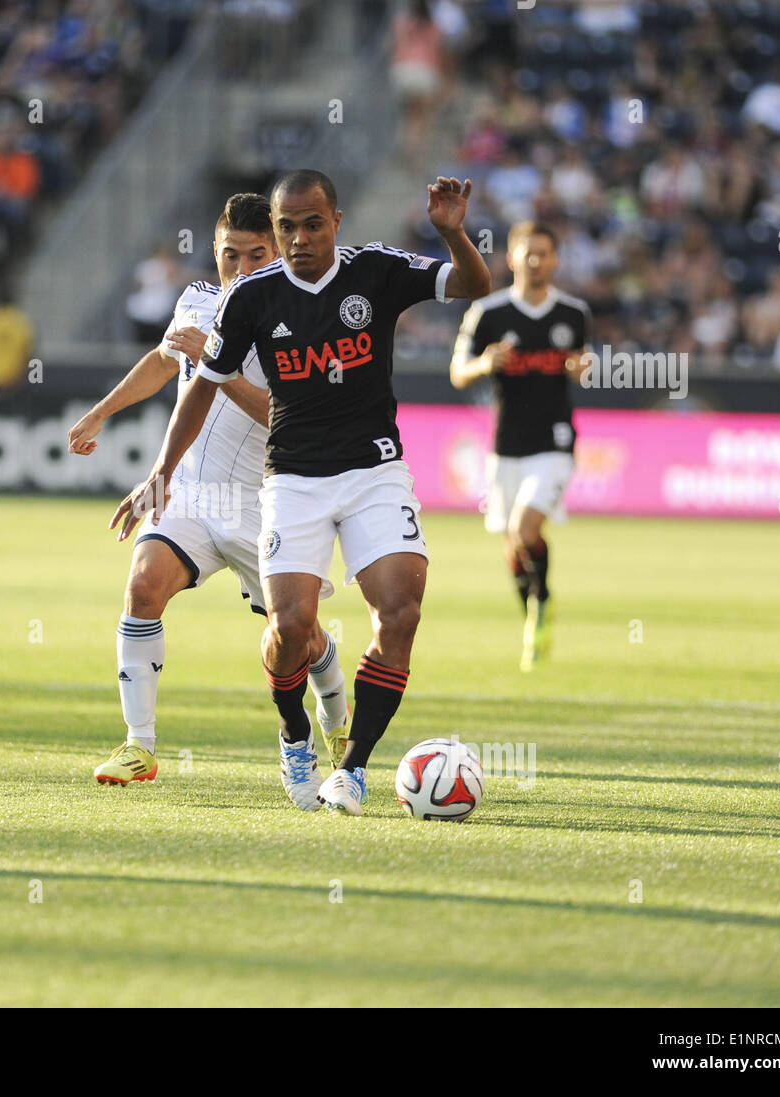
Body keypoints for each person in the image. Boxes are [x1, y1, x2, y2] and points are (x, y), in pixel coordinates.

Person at [112, 169, 490, 815]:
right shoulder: (252, 297)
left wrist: (454, 235)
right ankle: (293, 734)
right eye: (287, 226)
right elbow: (201, 382)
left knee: (399, 613)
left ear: (336, 222)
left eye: (313, 224)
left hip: (375, 469)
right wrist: (163, 471)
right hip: (291, 479)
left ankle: (353, 767)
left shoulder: (375, 270)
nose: (299, 238)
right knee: (291, 628)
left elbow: (473, 285)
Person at [69, 193, 349, 799]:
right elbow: (164, 361)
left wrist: (217, 364)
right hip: (192, 491)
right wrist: (100, 413)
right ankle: (139, 745)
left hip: (264, 502)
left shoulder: (300, 321)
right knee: (143, 585)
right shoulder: (197, 300)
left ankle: (335, 715)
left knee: (298, 635)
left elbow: (290, 417)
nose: (243, 270)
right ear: (215, 252)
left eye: (257, 256)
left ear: (277, 251)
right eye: (231, 256)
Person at [449, 222, 590, 671]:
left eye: (544, 253)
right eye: (527, 253)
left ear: (555, 260)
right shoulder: (489, 313)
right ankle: (533, 613)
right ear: (511, 258)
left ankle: (542, 602)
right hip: (506, 444)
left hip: (555, 440)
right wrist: (485, 364)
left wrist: (582, 369)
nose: (536, 261)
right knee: (514, 543)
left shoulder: (572, 313)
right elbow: (458, 372)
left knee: (527, 529)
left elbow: (584, 368)